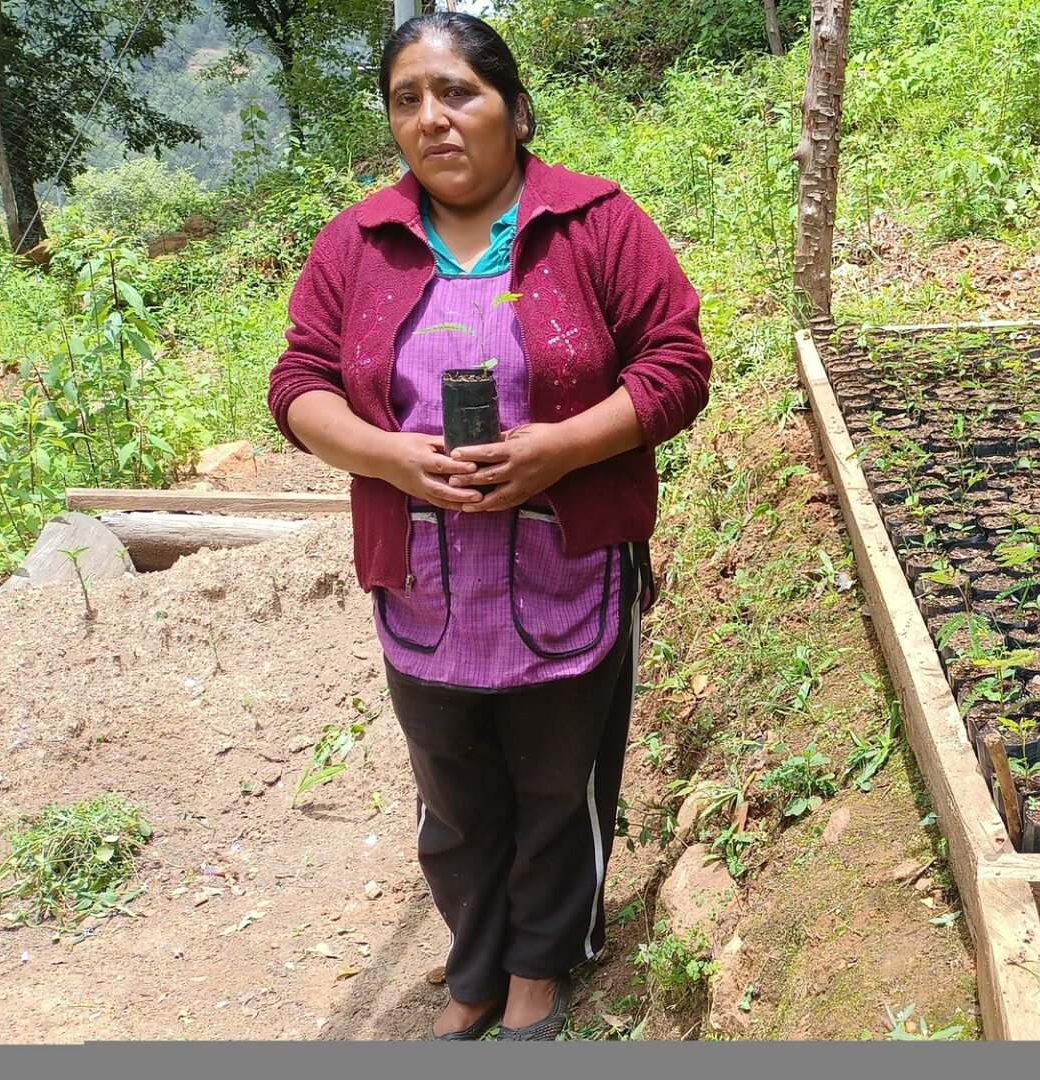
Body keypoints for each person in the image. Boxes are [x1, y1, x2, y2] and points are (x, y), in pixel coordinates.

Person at [267, 12, 710, 1041]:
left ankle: (537, 974)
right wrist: (385, 455)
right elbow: (299, 381)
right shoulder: (359, 243)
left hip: (569, 568)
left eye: (459, 91)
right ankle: (473, 967)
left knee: (557, 785)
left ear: (513, 106)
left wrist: (557, 449)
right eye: (408, 98)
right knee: (455, 791)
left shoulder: (595, 224)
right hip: (421, 576)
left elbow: (676, 366)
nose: (434, 117)